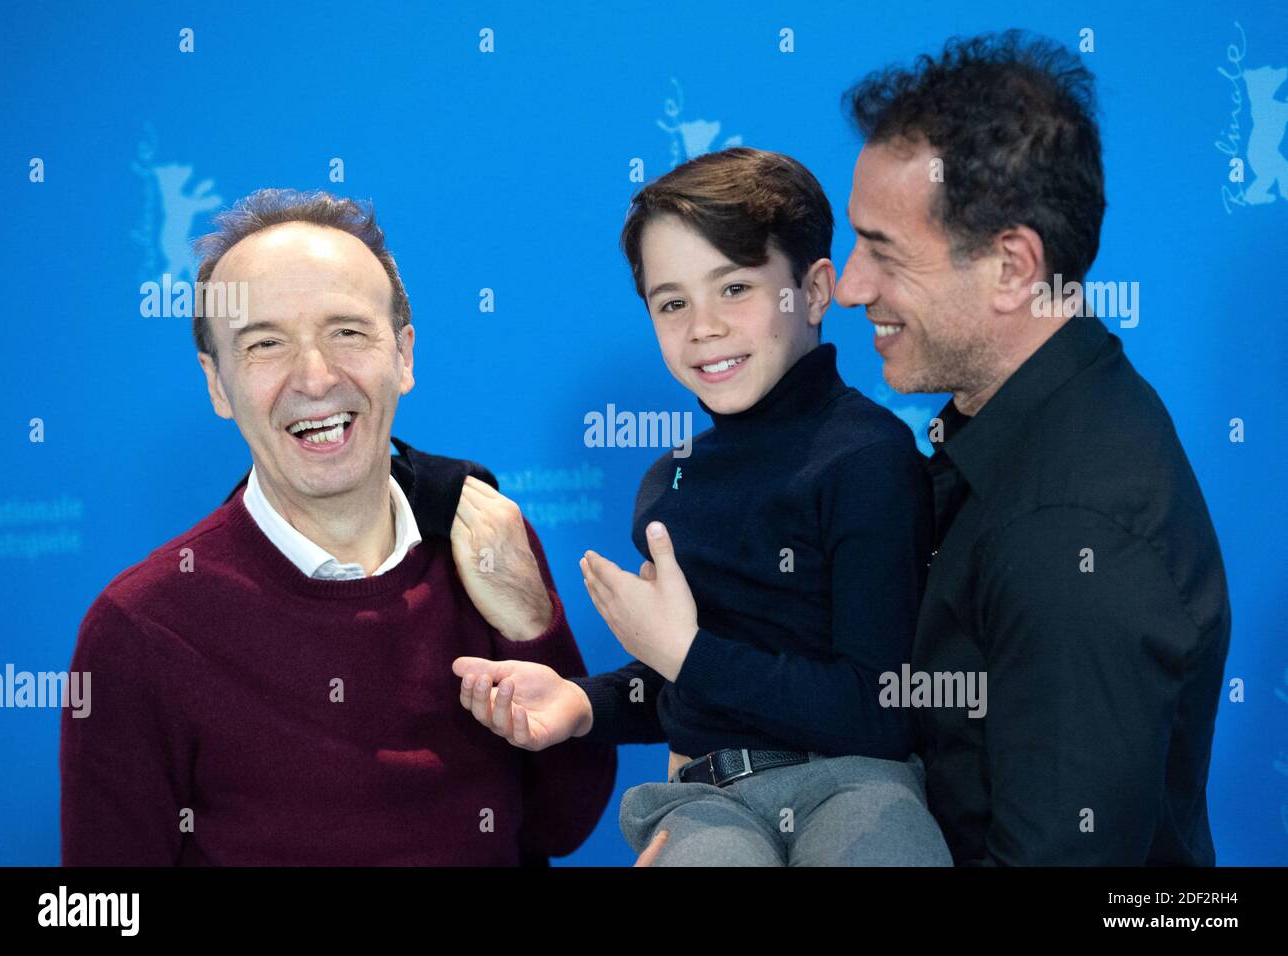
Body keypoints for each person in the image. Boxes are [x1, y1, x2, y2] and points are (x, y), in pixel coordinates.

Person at [60, 189, 615, 865]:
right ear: (216, 384)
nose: (315, 378)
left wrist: (533, 627)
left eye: (346, 332)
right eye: (265, 344)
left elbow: (563, 826)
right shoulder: (141, 626)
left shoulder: (491, 540)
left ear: (404, 356)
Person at [454, 148, 953, 866]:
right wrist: (583, 703)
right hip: (703, 802)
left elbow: (876, 709)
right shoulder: (671, 483)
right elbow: (680, 678)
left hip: (857, 786)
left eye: (735, 289)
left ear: (814, 291)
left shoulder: (868, 459)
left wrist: (687, 655)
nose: (703, 327)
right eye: (672, 302)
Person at [834, 30, 1232, 864]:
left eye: (883, 251)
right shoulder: (1022, 430)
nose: (848, 286)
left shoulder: (1067, 532)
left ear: (1013, 267)